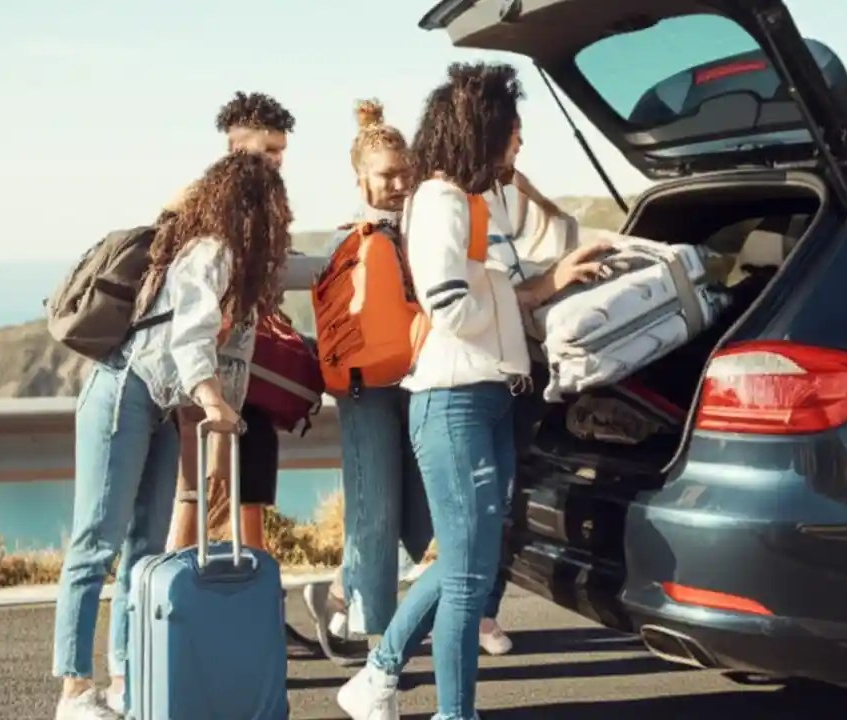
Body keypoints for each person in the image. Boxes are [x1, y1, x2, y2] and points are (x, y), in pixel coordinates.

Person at [336, 62, 611, 720]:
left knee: (473, 559)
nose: (518, 145)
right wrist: (501, 292)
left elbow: (483, 298)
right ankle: (452, 712)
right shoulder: (439, 201)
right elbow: (451, 305)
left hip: (483, 396)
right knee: (466, 573)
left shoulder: (470, 201)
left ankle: (376, 679)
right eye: (511, 134)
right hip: (454, 400)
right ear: (483, 134)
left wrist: (549, 284)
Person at [52, 151, 293, 720]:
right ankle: (73, 689)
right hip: (123, 391)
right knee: (96, 543)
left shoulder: (230, 260)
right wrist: (213, 402)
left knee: (146, 550)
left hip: (159, 403)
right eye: (268, 209)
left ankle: (126, 678)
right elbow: (190, 338)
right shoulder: (209, 252)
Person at [300, 99, 434, 662]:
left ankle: (335, 594)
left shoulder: (427, 229)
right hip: (366, 393)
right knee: (375, 513)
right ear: (360, 180)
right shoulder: (346, 243)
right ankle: (379, 648)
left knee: (419, 518)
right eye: (386, 175)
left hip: (421, 382)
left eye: (406, 172)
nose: (400, 184)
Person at [166, 91, 297, 554]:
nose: (278, 161)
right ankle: (177, 603)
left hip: (244, 374)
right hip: (203, 381)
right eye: (268, 151)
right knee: (196, 501)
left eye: (281, 151)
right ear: (235, 148)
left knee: (247, 493)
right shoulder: (200, 204)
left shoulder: (261, 204)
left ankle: (258, 612)